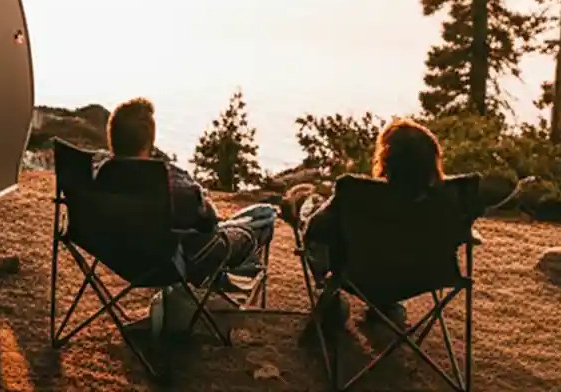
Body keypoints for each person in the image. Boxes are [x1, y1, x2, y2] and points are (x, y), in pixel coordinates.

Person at [282, 117, 448, 327]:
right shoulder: (447, 200)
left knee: (312, 215)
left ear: (386, 158)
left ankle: (328, 295)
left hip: (354, 274)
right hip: (418, 276)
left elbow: (315, 229)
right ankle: (387, 305)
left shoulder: (355, 192)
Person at [95, 97, 277, 287]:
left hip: (122, 257)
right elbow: (209, 221)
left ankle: (221, 283)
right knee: (264, 216)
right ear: (149, 142)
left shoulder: (102, 175)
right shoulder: (165, 180)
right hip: (178, 261)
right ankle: (228, 288)